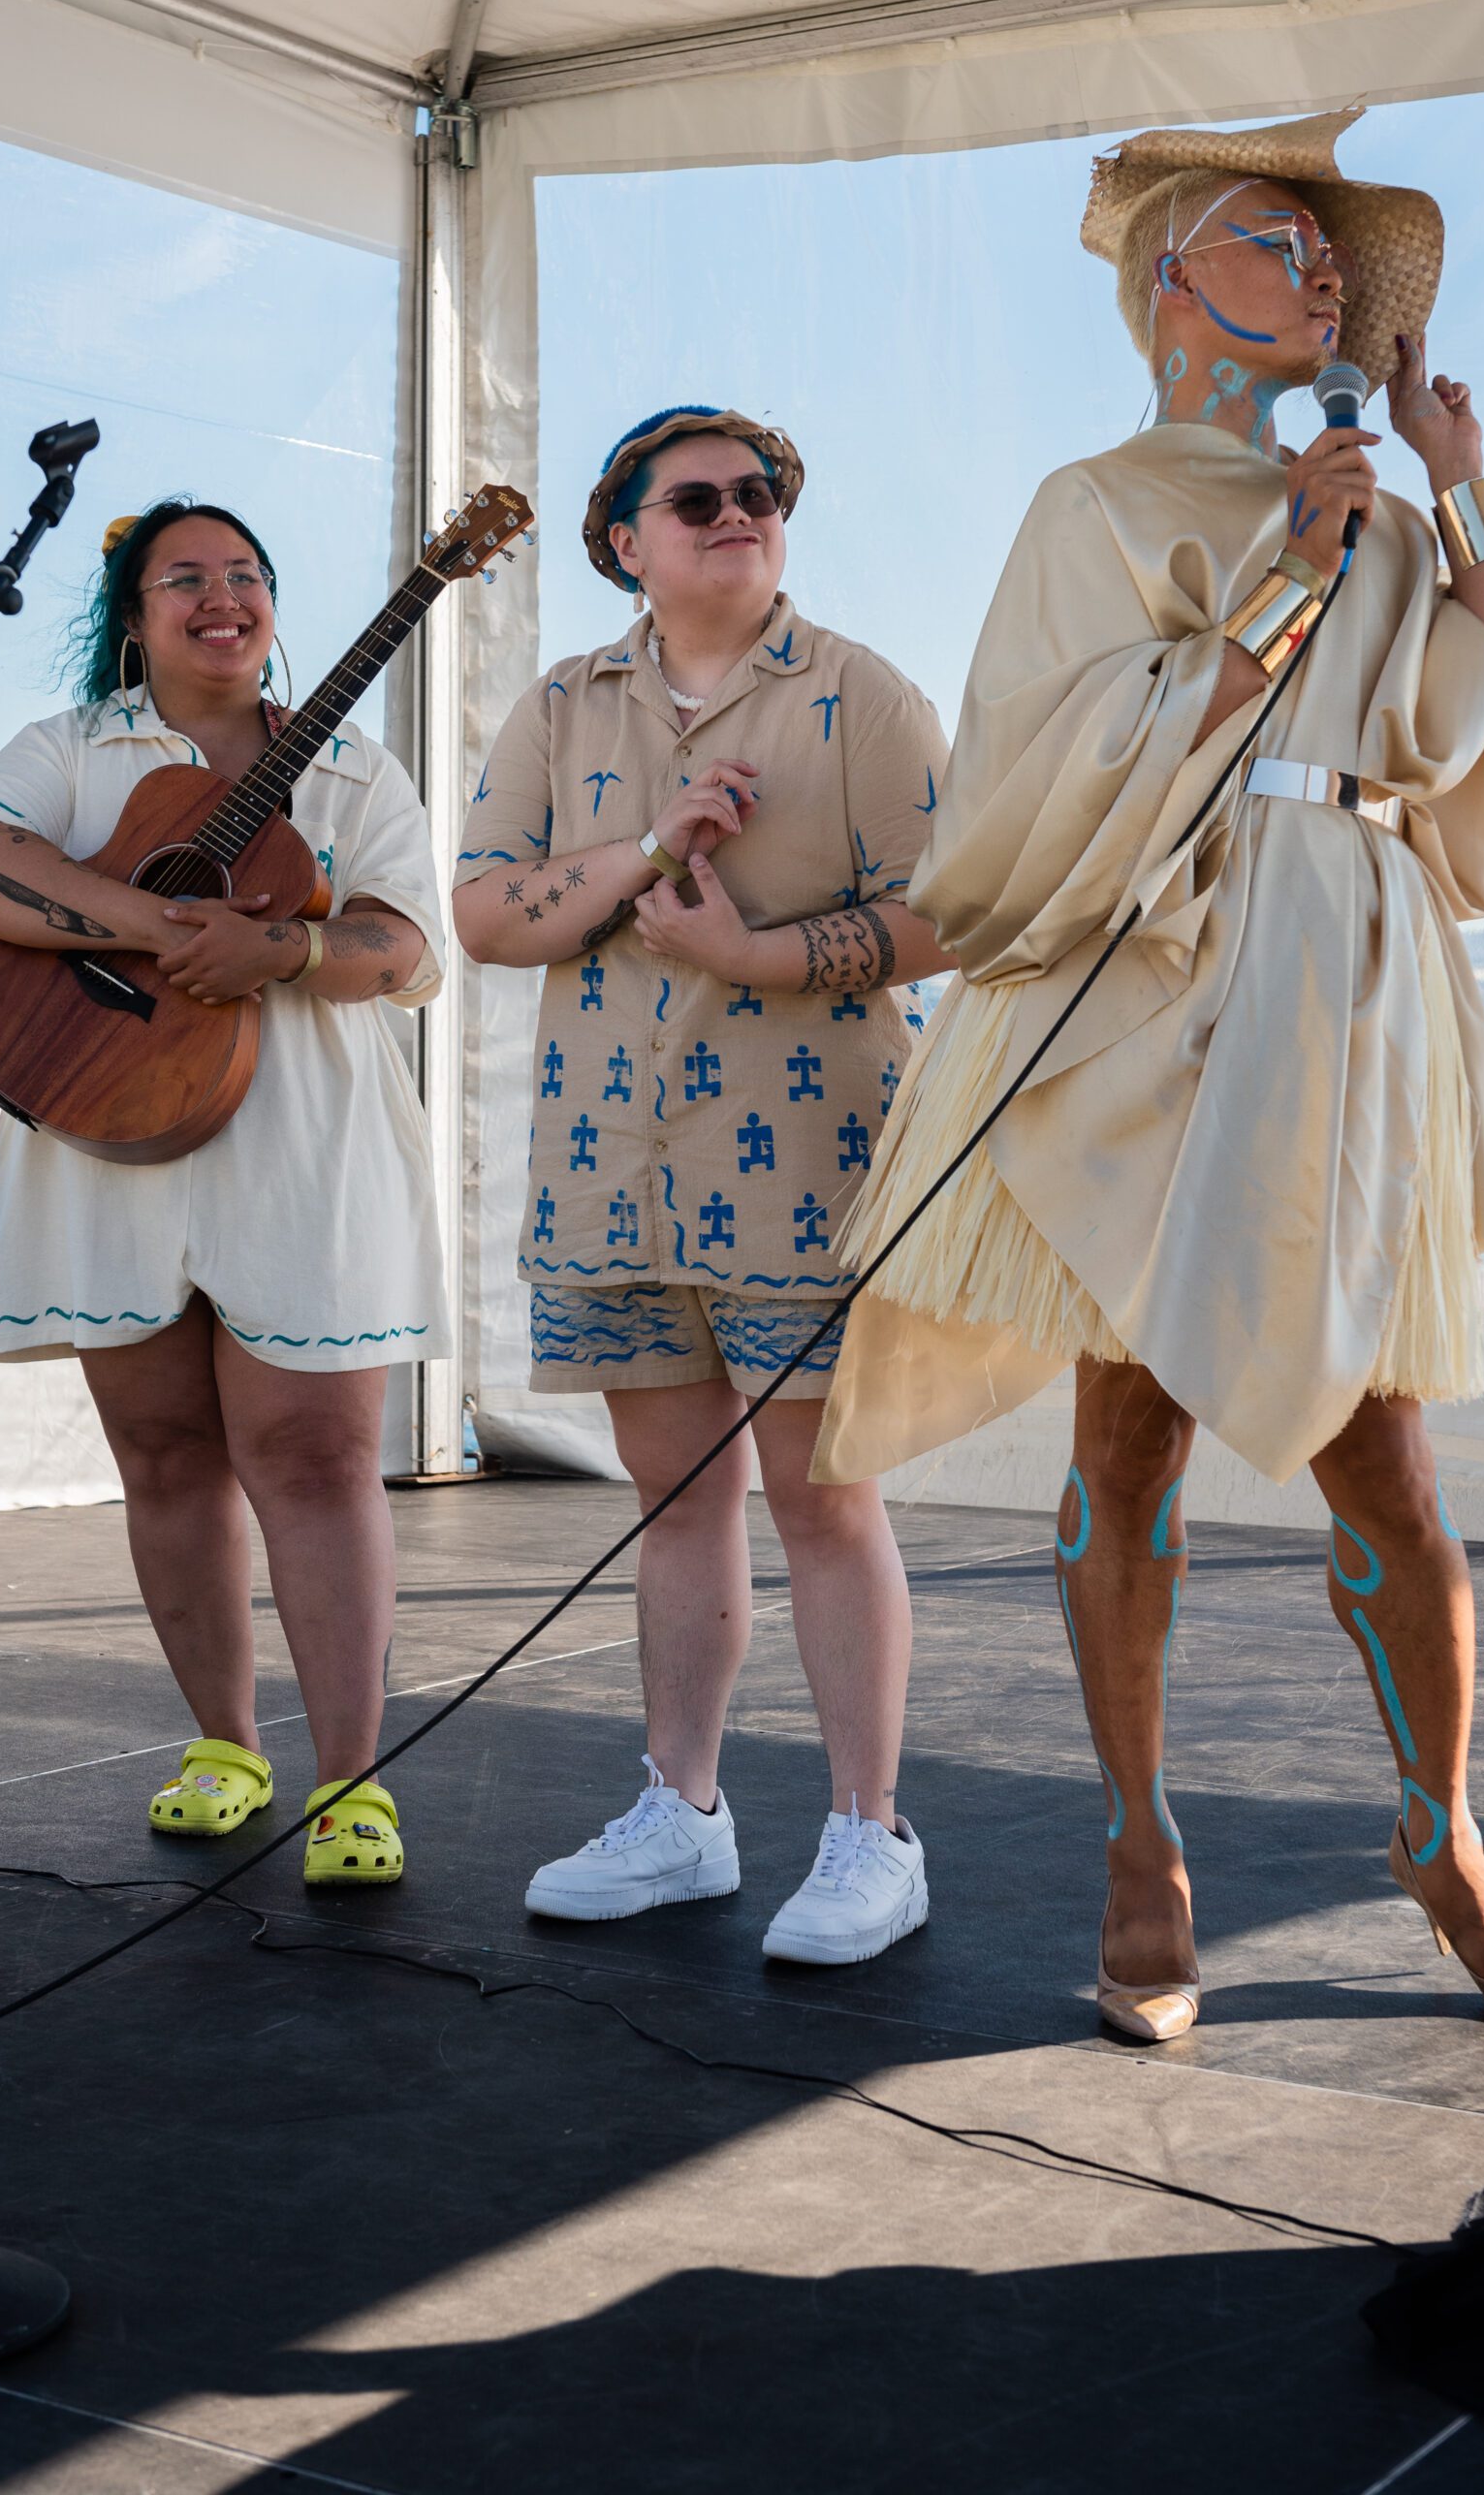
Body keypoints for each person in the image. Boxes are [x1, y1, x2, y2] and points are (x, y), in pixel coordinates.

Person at [815, 111, 1484, 2039]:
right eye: (1274, 241)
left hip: (1344, 983)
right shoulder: (1090, 503)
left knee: (1388, 1462)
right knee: (1126, 1440)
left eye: (1329, 257)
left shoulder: (1388, 508)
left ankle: (1443, 1840)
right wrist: (1284, 572)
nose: (1317, 273)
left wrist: (1455, 481)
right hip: (1155, 987)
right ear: (1168, 286)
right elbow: (1045, 760)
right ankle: (1137, 1845)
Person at [453, 407, 951, 1963]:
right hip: (608, 1171)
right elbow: (483, 913)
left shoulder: (865, 694)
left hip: (810, 1170)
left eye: (759, 494)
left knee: (821, 1500)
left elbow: (952, 914)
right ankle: (684, 1814)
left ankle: (873, 1835)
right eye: (698, 499)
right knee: (675, 1502)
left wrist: (754, 953)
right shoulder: (558, 705)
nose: (737, 513)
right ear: (627, 542)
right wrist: (645, 850)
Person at [0, 499, 451, 1886]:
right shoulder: (70, 749)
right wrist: (161, 924)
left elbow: (409, 947)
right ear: (134, 615)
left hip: (301, 1139)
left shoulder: (353, 765)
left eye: (244, 574)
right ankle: (226, 1746)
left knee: (318, 1457)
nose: (220, 597)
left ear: (275, 606)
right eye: (184, 578)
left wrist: (285, 953)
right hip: (105, 1112)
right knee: (165, 1455)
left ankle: (352, 1782)